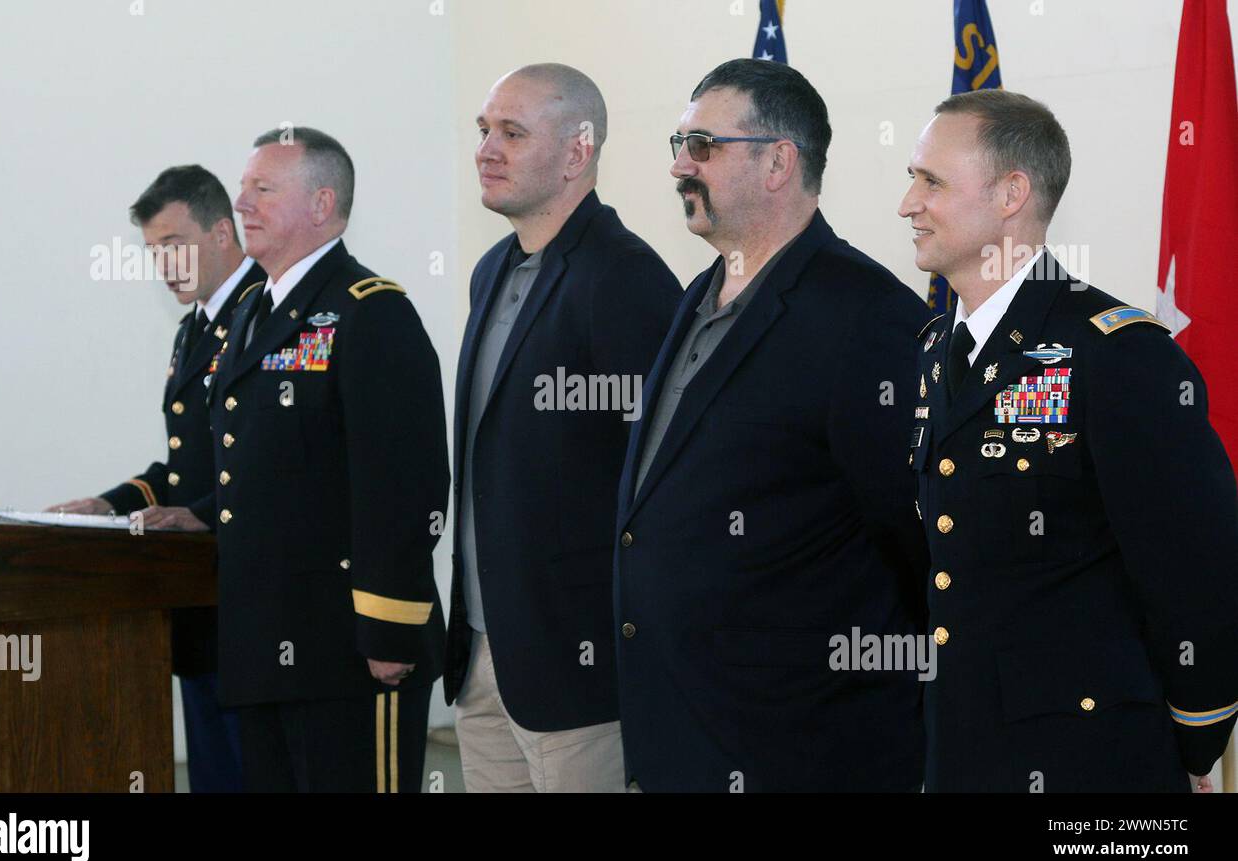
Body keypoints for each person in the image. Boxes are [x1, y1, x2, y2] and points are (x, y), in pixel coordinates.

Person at [898, 88, 1238, 792]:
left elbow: (1197, 568)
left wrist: (1190, 737)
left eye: (930, 180)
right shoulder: (936, 350)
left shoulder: (1115, 352)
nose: (908, 204)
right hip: (964, 750)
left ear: (1011, 193)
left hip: (1093, 758)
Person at [614, 59, 930, 792]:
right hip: (679, 732)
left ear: (779, 162)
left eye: (702, 146)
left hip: (800, 744)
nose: (677, 167)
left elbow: (913, 538)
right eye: (677, 143)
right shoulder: (698, 292)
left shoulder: (867, 317)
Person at [445, 63, 681, 792]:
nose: (486, 148)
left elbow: (661, 482)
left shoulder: (625, 277)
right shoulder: (491, 269)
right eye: (484, 130)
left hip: (576, 664)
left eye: (511, 133)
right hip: (484, 653)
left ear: (578, 151)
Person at [202, 126, 449, 792]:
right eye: (242, 187)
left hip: (350, 648)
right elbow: (253, 472)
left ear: (321, 203)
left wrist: (389, 631)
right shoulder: (255, 309)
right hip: (264, 643)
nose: (241, 203)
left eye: (264, 188)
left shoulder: (371, 313)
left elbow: (405, 483)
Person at [52, 164, 263, 792]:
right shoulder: (192, 331)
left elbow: (276, 465)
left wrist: (198, 510)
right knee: (214, 774)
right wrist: (108, 504)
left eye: (173, 245)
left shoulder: (266, 315)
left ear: (222, 232)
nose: (163, 265)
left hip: (253, 595)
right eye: (152, 252)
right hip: (199, 594)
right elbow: (185, 464)